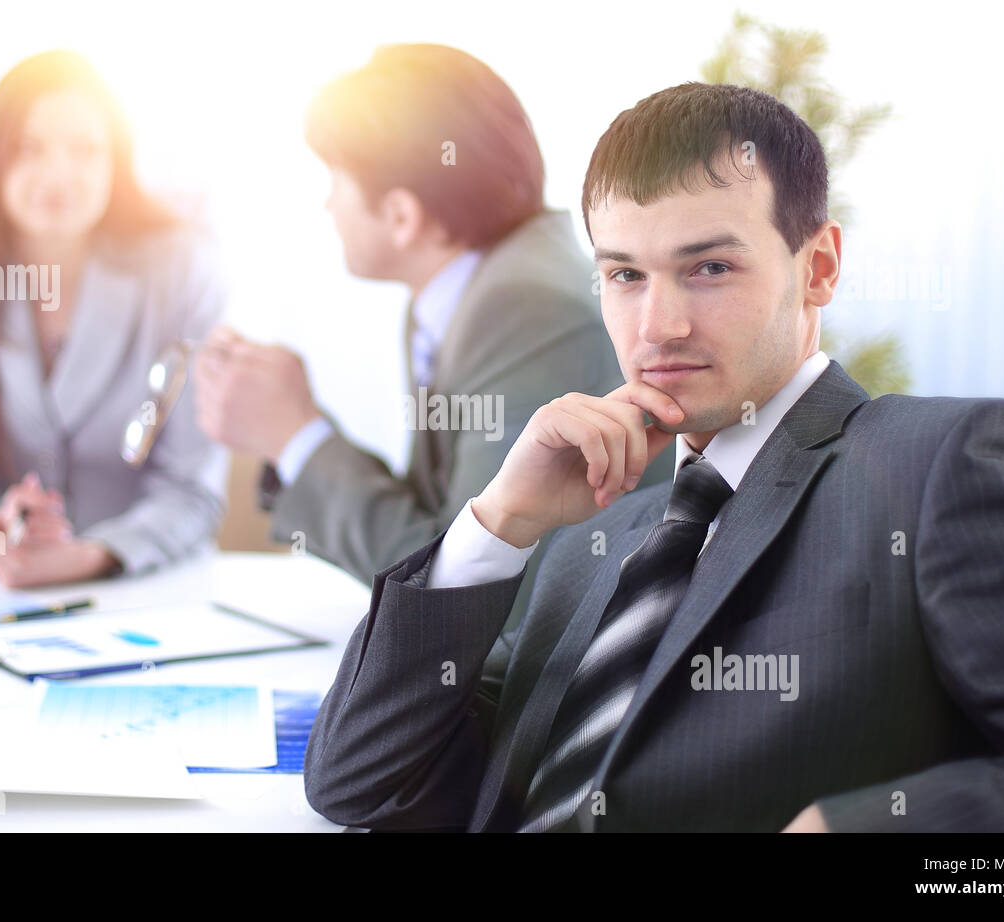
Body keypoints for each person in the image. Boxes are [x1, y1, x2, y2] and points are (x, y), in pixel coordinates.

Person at [301, 82, 1004, 832]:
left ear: (817, 267)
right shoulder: (588, 545)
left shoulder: (940, 465)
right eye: (624, 275)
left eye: (710, 268)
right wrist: (496, 525)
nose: (659, 326)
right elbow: (358, 783)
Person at [194, 45, 672, 641]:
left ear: (400, 216)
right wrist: (294, 433)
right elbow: (446, 532)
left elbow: (472, 590)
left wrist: (296, 437)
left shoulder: (523, 306)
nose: (327, 204)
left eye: (334, 181)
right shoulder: (455, 292)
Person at [0, 50, 227, 588]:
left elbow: (191, 488)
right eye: (29, 148)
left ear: (116, 161)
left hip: (145, 587)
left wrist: (93, 556)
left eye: (85, 150)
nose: (59, 174)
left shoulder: (183, 268)